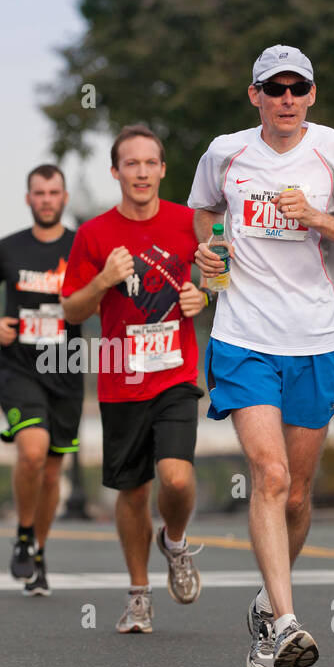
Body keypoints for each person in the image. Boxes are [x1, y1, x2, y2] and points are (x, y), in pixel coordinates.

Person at [189, 45, 334, 667]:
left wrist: (318, 218)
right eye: (273, 88)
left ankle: (265, 606)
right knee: (269, 475)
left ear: (310, 94)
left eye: (296, 88)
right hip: (243, 337)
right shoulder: (226, 153)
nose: (285, 98)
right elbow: (205, 216)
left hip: (318, 340)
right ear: (254, 96)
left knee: (298, 495)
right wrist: (211, 254)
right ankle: (284, 625)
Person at [61, 124, 212, 634]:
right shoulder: (94, 234)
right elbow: (71, 307)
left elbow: (222, 270)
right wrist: (104, 279)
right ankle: (139, 594)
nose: (142, 172)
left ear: (163, 169)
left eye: (150, 163)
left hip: (175, 374)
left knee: (175, 475)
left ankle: (174, 540)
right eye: (131, 163)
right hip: (120, 380)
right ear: (116, 171)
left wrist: (205, 295)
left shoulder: (189, 223)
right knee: (132, 492)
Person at [0, 164, 82, 596]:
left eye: (54, 192)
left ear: (64, 197)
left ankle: (37, 550)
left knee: (53, 474)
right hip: (19, 367)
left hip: (67, 368)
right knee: (32, 452)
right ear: (28, 199)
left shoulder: (81, 246)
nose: (47, 199)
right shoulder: (8, 249)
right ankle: (21, 533)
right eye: (39, 192)